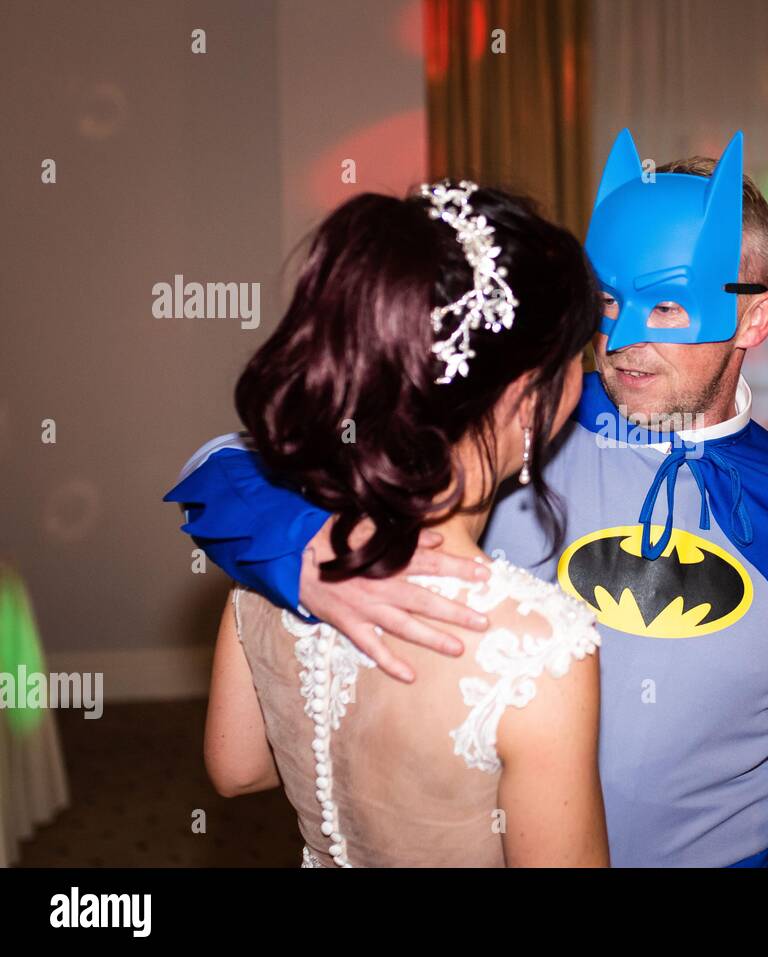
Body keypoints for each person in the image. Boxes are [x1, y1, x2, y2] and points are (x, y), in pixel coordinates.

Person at [169, 129, 768, 867]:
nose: (620, 340)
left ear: (753, 318)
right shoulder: (510, 438)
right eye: (607, 301)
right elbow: (226, 466)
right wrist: (300, 549)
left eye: (669, 310)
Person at [196, 185, 608, 867]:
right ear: (523, 396)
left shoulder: (274, 566)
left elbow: (236, 767)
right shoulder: (538, 647)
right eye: (575, 359)